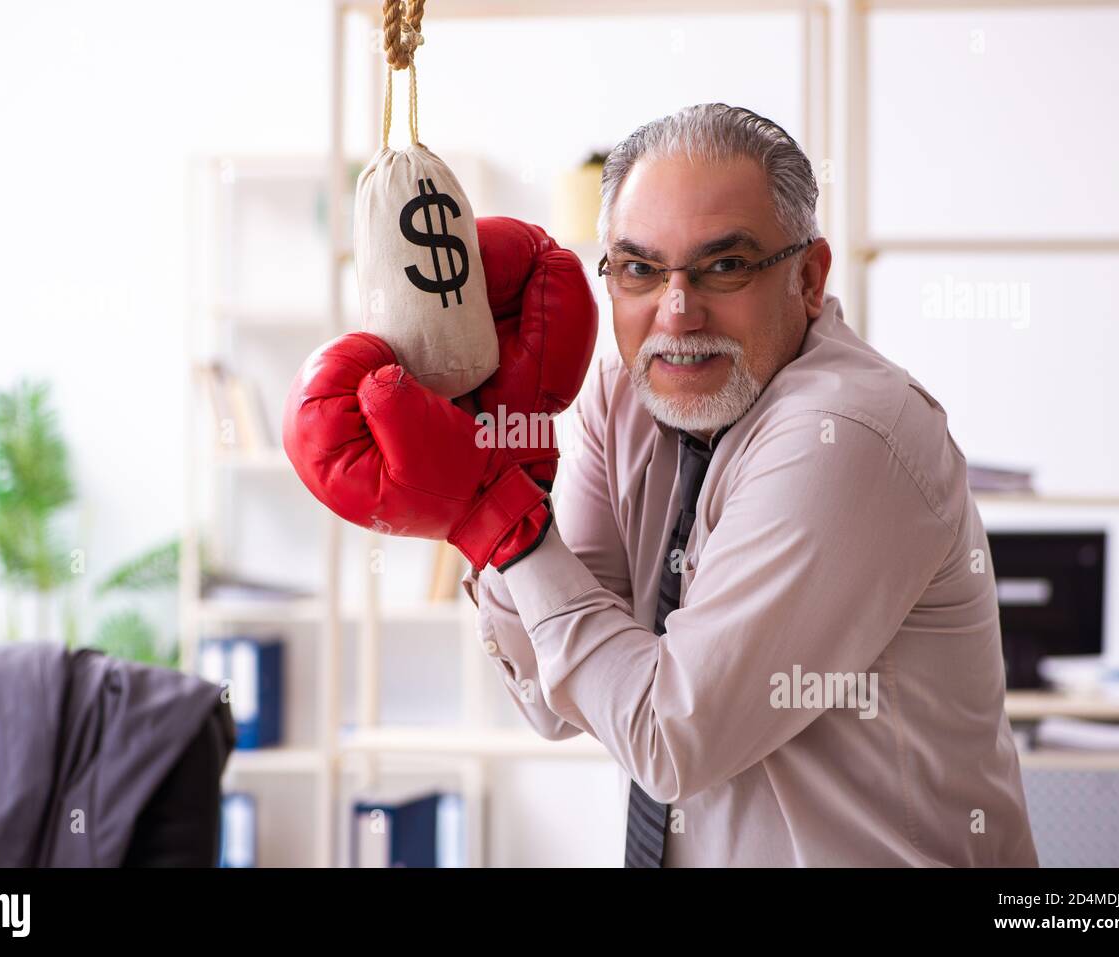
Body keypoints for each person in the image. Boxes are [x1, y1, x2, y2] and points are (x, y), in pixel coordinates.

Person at [284, 102, 1039, 868]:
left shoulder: (845, 434)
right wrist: (509, 470)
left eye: (725, 264)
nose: (677, 312)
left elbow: (668, 735)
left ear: (809, 279)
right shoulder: (626, 398)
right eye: (640, 269)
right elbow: (559, 698)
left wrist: (497, 515)